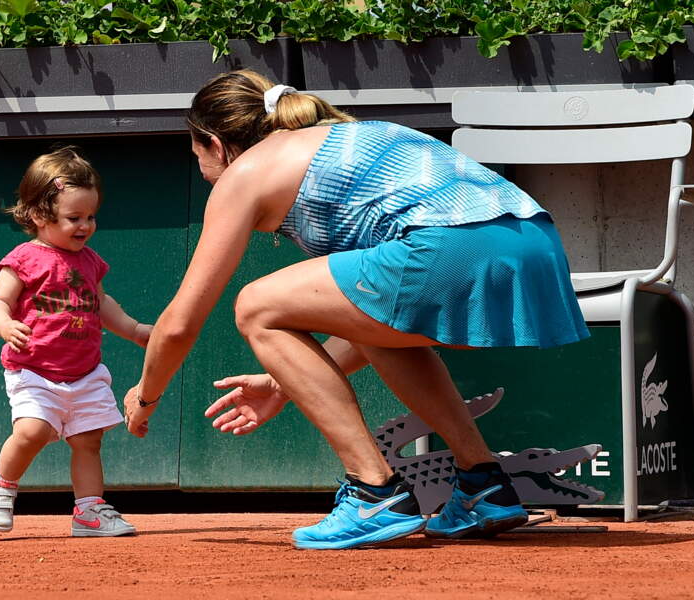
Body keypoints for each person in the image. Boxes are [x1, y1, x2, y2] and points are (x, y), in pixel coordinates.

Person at [123, 70, 590, 550]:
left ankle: (374, 490)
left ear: (216, 145)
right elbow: (368, 320)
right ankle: (482, 484)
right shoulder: (341, 138)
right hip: (533, 243)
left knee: (255, 306)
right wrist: (284, 383)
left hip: (454, 247)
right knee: (376, 321)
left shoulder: (245, 174)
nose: (199, 167)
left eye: (195, 152)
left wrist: (146, 397)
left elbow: (179, 324)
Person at [0, 146, 152, 537]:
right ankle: (1, 486)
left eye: (91, 217)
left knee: (88, 442)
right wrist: (6, 325)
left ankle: (89, 512)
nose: (85, 226)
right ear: (40, 215)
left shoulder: (90, 261)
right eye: (74, 218)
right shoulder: (24, 257)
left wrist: (136, 329)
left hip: (85, 372)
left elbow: (100, 303)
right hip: (33, 370)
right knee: (33, 431)